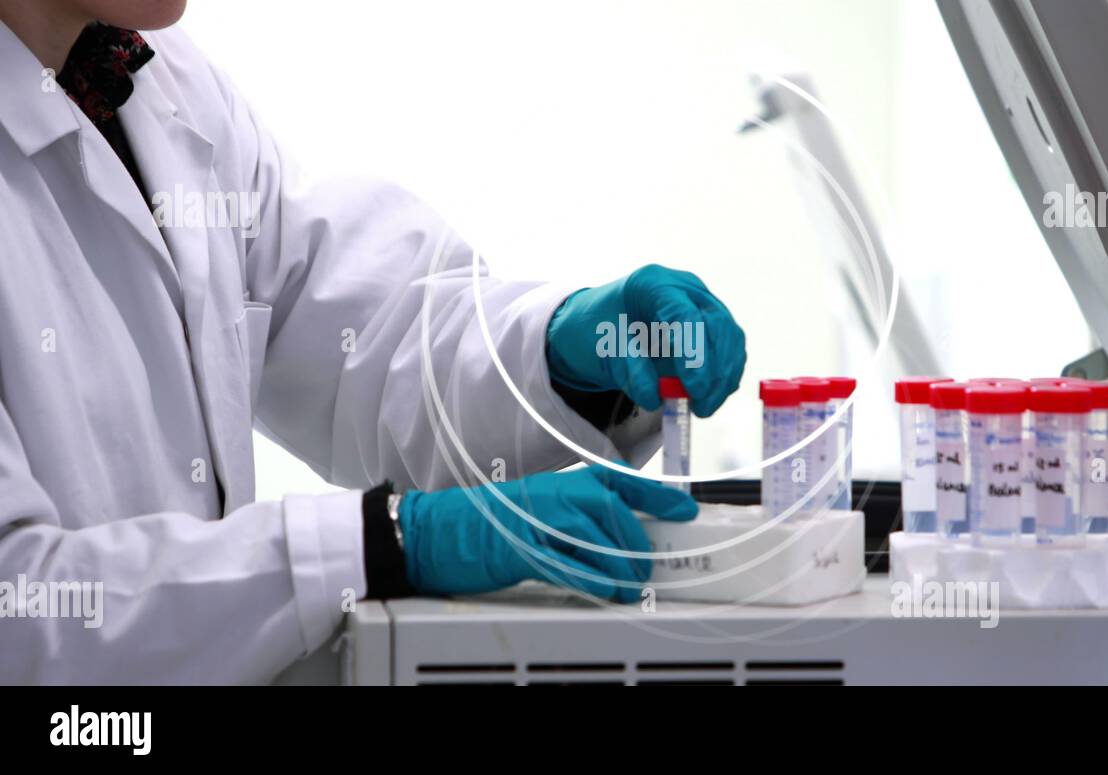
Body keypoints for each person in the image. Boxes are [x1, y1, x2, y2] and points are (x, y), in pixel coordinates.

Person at [0, 0, 746, 683]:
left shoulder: (149, 79)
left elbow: (355, 335)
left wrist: (557, 358)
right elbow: (22, 609)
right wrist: (380, 544)